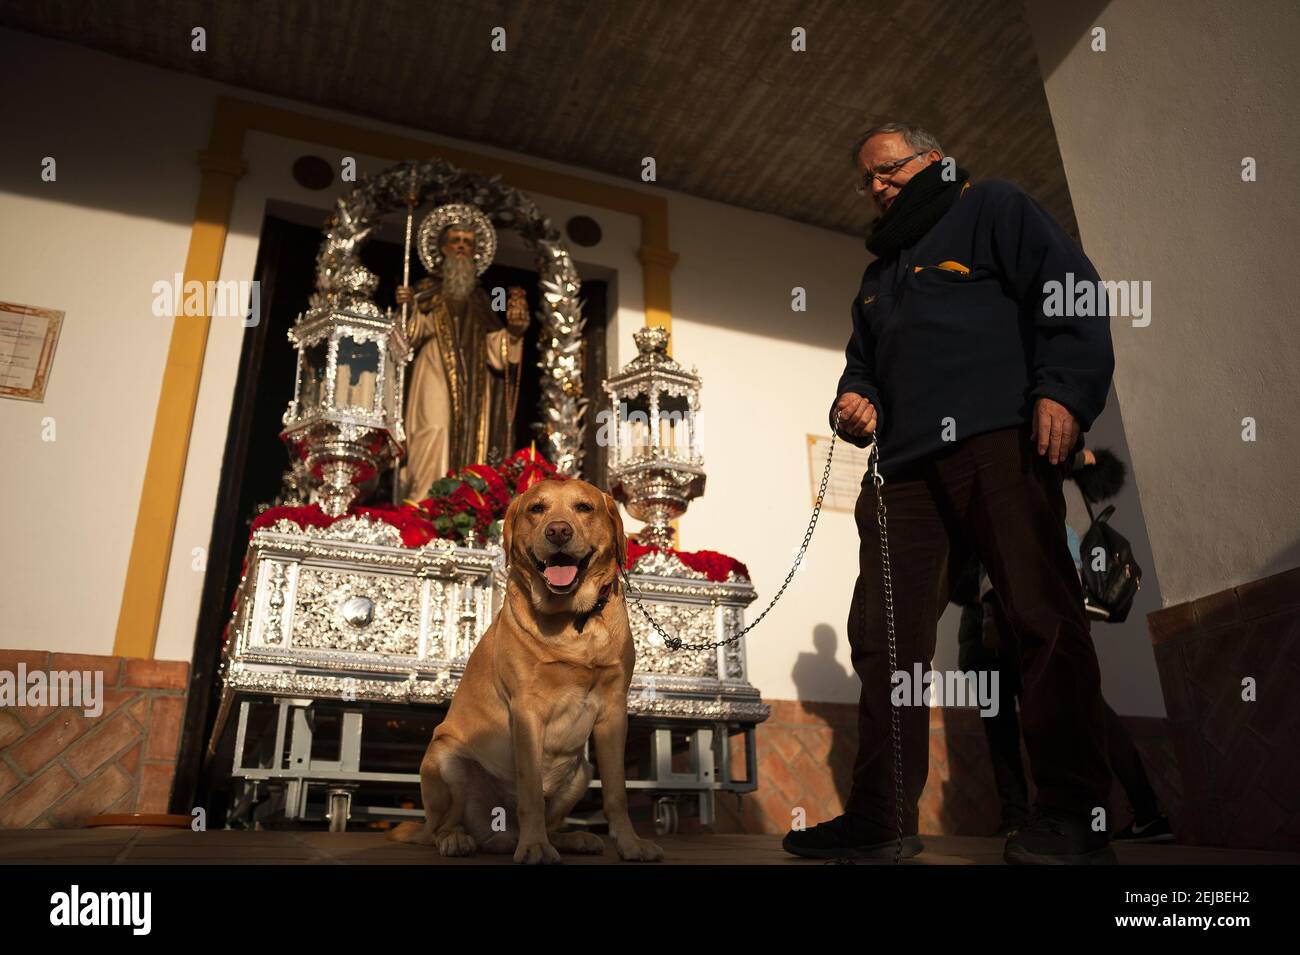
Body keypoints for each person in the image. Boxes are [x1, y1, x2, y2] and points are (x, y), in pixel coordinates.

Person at [782, 122, 1116, 864]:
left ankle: (1074, 818)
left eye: (889, 168)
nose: (875, 185)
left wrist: (1063, 388)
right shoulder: (878, 278)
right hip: (903, 473)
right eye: (866, 178)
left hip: (1001, 442)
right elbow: (861, 367)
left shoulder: (993, 205)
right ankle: (880, 817)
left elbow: (1068, 287)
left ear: (935, 160)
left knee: (1042, 617)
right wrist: (855, 399)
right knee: (883, 639)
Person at [395, 203, 529, 501]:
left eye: (468, 243)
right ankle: (423, 501)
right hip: (434, 370)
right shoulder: (425, 290)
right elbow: (408, 338)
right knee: (434, 429)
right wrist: (409, 309)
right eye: (455, 241)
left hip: (474, 388)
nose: (461, 247)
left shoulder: (481, 300)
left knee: (471, 442)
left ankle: (463, 505)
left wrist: (514, 333)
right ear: (443, 247)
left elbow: (496, 350)